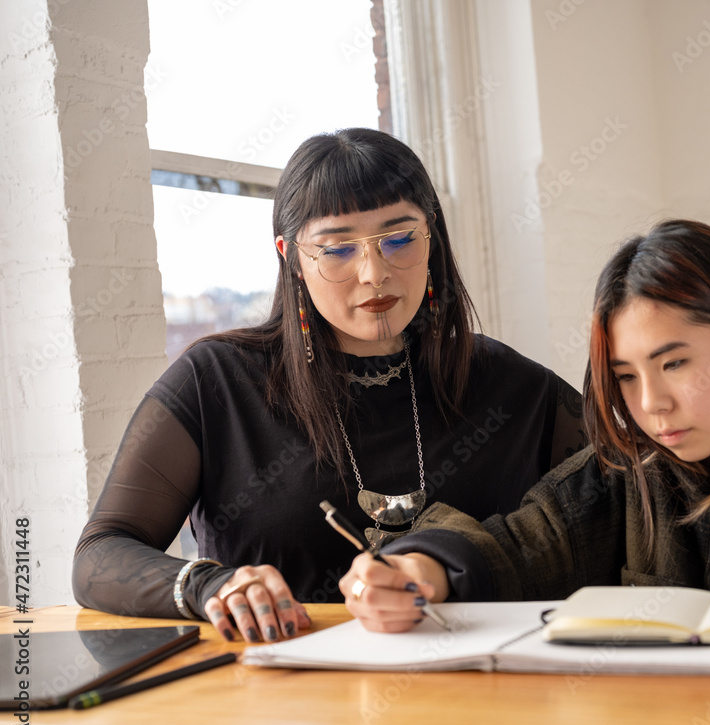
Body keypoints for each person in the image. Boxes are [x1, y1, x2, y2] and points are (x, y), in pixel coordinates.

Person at [72, 128, 586, 644]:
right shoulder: (218, 382)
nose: (374, 273)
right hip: (279, 704)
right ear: (291, 256)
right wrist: (211, 584)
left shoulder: (511, 385)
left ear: (432, 235)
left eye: (399, 239)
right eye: (337, 249)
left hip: (490, 695)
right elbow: (99, 554)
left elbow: (629, 493)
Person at [341, 219, 710, 632]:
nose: (651, 403)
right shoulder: (620, 476)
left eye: (675, 363)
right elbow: (520, 545)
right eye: (626, 376)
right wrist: (420, 568)